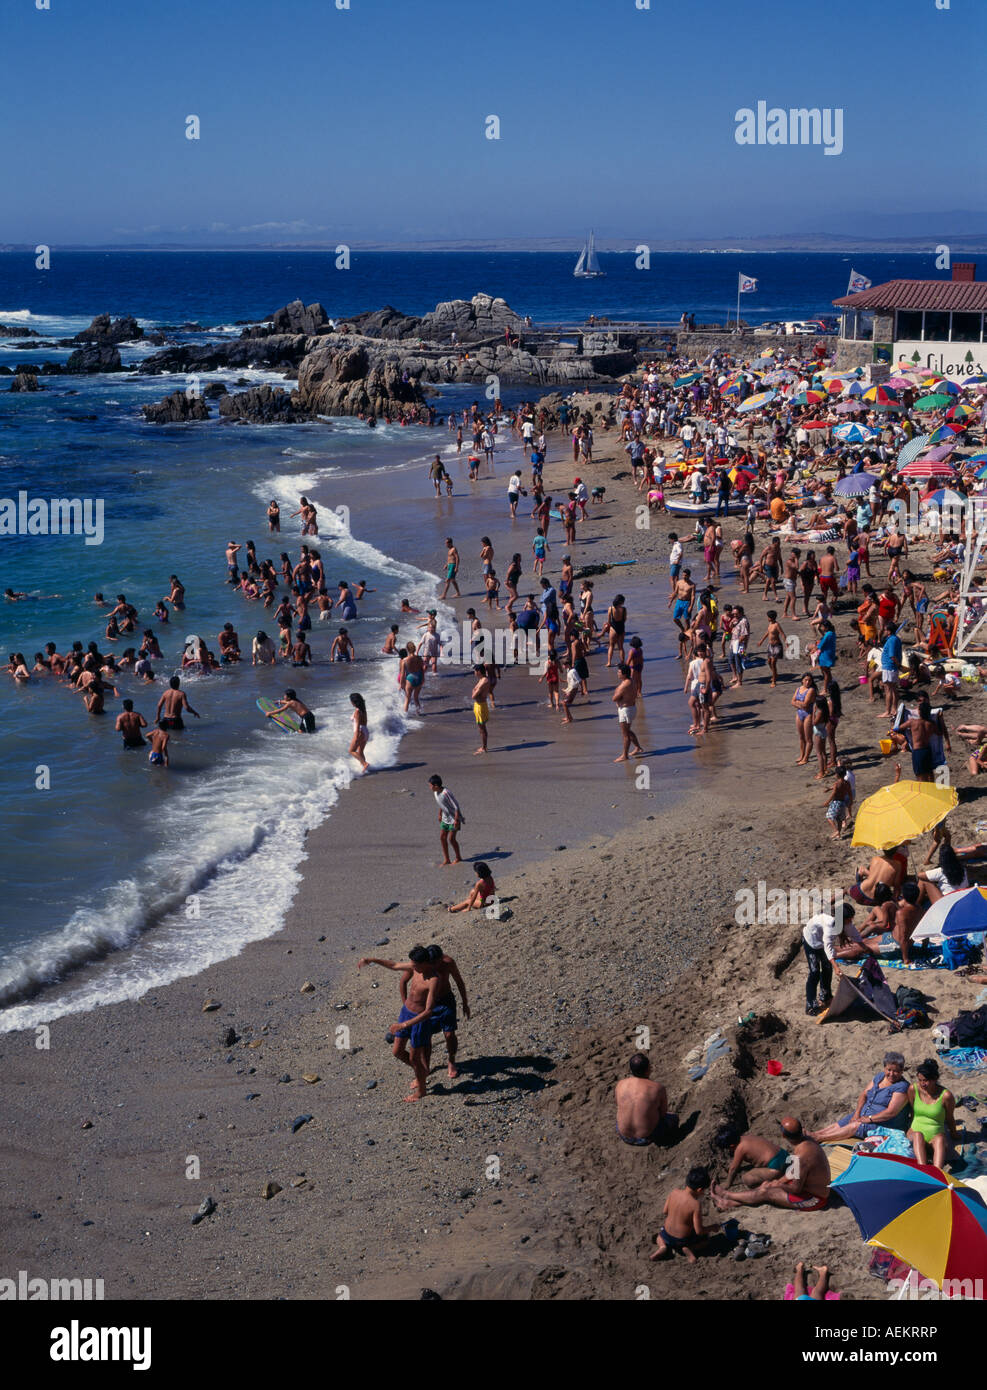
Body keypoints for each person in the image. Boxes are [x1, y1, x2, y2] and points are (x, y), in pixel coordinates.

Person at [712, 1117, 830, 1212]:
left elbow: (795, 1189)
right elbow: (794, 1172)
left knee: (766, 1192)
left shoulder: (799, 1158)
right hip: (811, 1187)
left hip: (814, 1199)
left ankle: (727, 1195)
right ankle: (730, 1202)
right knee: (766, 1186)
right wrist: (779, 1182)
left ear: (783, 1136)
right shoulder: (808, 1141)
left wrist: (778, 1185)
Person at [809, 1054, 910, 1142]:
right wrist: (857, 1113)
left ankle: (820, 1138)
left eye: (896, 1071)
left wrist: (869, 1119)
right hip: (865, 1114)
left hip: (883, 1124)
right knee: (842, 1123)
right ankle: (815, 1134)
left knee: (855, 1126)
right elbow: (864, 1094)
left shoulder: (902, 1087)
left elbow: (890, 1112)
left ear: (902, 1071)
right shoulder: (880, 1077)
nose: (891, 1074)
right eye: (889, 1070)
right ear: (884, 1068)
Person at [650, 1167, 718, 1263]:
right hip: (681, 1241)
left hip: (666, 1234)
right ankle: (690, 1248)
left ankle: (662, 1247)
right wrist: (712, 1227)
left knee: (659, 1236)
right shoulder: (695, 1205)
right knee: (706, 1239)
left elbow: (665, 1211)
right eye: (704, 1191)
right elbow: (699, 1231)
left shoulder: (674, 1192)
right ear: (699, 1190)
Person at [906, 1059, 959, 1169]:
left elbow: (949, 1118)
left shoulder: (946, 1096)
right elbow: (912, 1111)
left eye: (925, 1081)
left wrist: (954, 1134)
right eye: (920, 1080)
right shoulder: (913, 1089)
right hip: (915, 1133)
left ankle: (937, 1172)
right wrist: (910, 1127)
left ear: (935, 1079)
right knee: (918, 1135)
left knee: (940, 1139)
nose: (922, 1084)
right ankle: (923, 1169)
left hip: (935, 1137)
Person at [615, 1053, 676, 1145]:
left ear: (631, 1070)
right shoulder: (657, 1088)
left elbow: (618, 1105)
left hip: (624, 1135)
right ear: (648, 1069)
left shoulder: (620, 1084)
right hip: (646, 1137)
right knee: (673, 1118)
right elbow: (662, 1114)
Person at [714, 1124, 791, 1187]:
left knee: (746, 1178)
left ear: (731, 1146)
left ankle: (779, 1179)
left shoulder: (740, 1148)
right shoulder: (747, 1137)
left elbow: (733, 1169)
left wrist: (727, 1183)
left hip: (776, 1168)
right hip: (786, 1156)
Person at [429, 774, 463, 866]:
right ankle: (447, 859)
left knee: (451, 839)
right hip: (445, 818)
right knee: (442, 838)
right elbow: (442, 804)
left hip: (454, 818)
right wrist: (440, 814)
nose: (430, 787)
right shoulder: (435, 792)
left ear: (436, 786)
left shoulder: (446, 793)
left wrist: (456, 820)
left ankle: (458, 857)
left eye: (430, 785)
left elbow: (456, 807)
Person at [613, 663, 644, 762]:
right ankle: (638, 747)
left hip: (626, 710)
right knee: (628, 731)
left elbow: (614, 698)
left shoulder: (624, 685)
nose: (617, 674)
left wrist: (616, 691)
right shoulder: (632, 681)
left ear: (624, 674)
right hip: (631, 708)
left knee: (625, 734)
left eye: (619, 672)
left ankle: (625, 755)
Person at [471, 664, 491, 755]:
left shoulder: (484, 682)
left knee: (482, 728)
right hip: (480, 704)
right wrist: (474, 690)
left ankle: (484, 747)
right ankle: (484, 746)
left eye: (475, 671)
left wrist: (474, 690)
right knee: (481, 728)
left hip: (480, 706)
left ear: (479, 671)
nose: (474, 673)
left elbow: (473, 696)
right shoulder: (482, 679)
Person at [349, 693, 369, 770]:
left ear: (354, 702)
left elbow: (357, 725)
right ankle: (365, 768)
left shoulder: (357, 711)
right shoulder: (363, 710)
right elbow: (365, 722)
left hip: (360, 731)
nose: (350, 702)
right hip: (365, 731)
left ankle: (365, 764)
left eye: (351, 701)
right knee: (360, 752)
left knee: (351, 751)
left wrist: (357, 736)